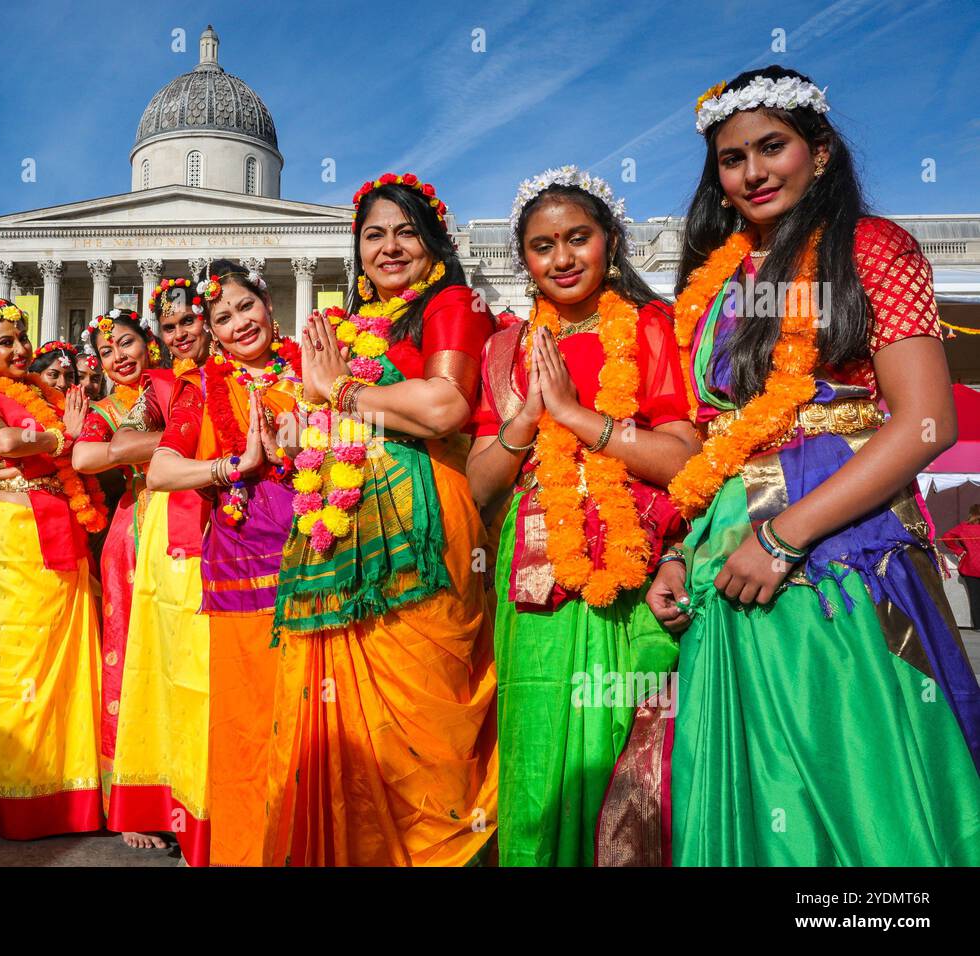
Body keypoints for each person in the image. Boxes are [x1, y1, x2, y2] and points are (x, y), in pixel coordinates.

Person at [619, 66, 980, 866]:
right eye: (732, 158)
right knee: (750, 784)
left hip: (834, 556)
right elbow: (712, 438)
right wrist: (679, 550)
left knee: (847, 778)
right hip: (724, 559)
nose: (752, 172)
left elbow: (927, 422)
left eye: (771, 147)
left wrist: (784, 539)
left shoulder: (871, 247)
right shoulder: (718, 280)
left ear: (819, 152)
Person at [466, 168, 697, 866]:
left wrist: (577, 416)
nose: (561, 259)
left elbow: (684, 458)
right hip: (534, 566)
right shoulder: (506, 350)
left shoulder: (653, 328)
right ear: (524, 258)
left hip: (636, 555)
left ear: (612, 241)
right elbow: (480, 483)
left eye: (577, 239)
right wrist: (529, 416)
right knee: (537, 748)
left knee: (628, 757)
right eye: (542, 246)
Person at [266, 173, 499, 866]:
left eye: (406, 232)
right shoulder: (345, 328)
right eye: (374, 234)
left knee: (426, 710)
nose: (389, 247)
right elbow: (318, 416)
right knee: (352, 723)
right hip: (342, 529)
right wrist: (297, 423)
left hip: (419, 518)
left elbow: (447, 407)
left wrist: (337, 388)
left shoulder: (452, 303)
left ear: (433, 242)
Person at [146, 260, 299, 866]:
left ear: (267, 304)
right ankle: (251, 852)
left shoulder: (313, 369)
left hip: (324, 557)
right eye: (223, 318)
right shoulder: (205, 388)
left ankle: (315, 843)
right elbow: (160, 471)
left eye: (245, 308)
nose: (239, 324)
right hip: (247, 571)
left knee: (315, 712)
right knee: (250, 721)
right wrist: (235, 467)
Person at [0, 295, 108, 840]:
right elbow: (8, 442)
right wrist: (64, 434)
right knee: (21, 663)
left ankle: (79, 793)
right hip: (15, 538)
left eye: (21, 339)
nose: (19, 350)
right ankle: (26, 799)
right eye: (6, 342)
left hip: (61, 525)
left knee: (73, 661)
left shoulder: (43, 393)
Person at [72, 305, 208, 858]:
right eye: (107, 351)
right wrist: (175, 442)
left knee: (191, 656)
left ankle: (194, 782)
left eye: (127, 343)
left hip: (200, 514)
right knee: (130, 654)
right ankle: (137, 795)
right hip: (137, 529)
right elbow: (83, 455)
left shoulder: (181, 384)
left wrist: (129, 448)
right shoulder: (106, 406)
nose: (119, 357)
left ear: (147, 344)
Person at [941, 504, 980, 629]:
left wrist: (959, 551)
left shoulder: (964, 527)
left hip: (971, 566)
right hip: (972, 566)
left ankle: (978, 626)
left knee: (975, 597)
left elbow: (946, 537)